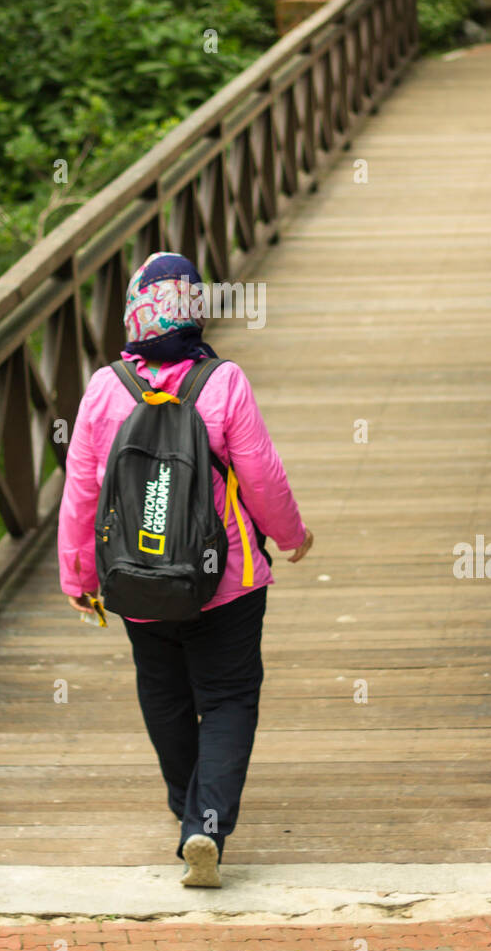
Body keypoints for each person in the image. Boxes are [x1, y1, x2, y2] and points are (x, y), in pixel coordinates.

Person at [57, 250, 313, 887]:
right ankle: (205, 822)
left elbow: (83, 492)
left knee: (164, 692)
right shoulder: (223, 382)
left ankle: (187, 807)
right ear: (195, 311)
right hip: (224, 579)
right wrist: (291, 535)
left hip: (138, 579)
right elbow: (260, 475)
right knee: (227, 697)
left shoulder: (102, 389)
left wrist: (79, 577)